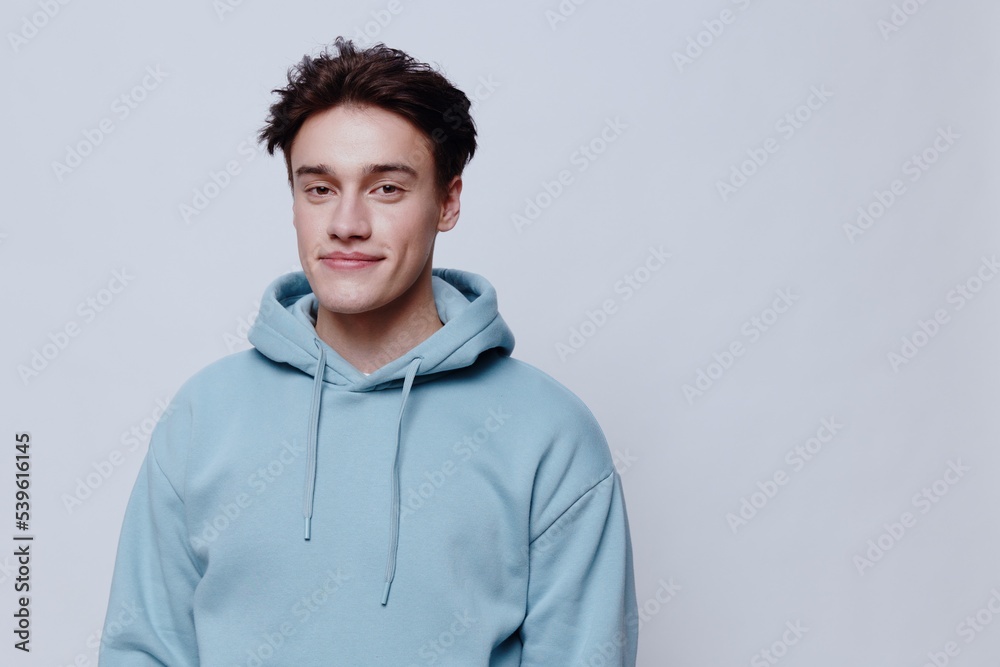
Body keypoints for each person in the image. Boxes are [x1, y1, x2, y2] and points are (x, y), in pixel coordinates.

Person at [99, 36, 637, 666]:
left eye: (386, 189)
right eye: (320, 188)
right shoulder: (204, 414)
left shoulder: (549, 432)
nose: (346, 223)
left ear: (448, 201)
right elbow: (144, 649)